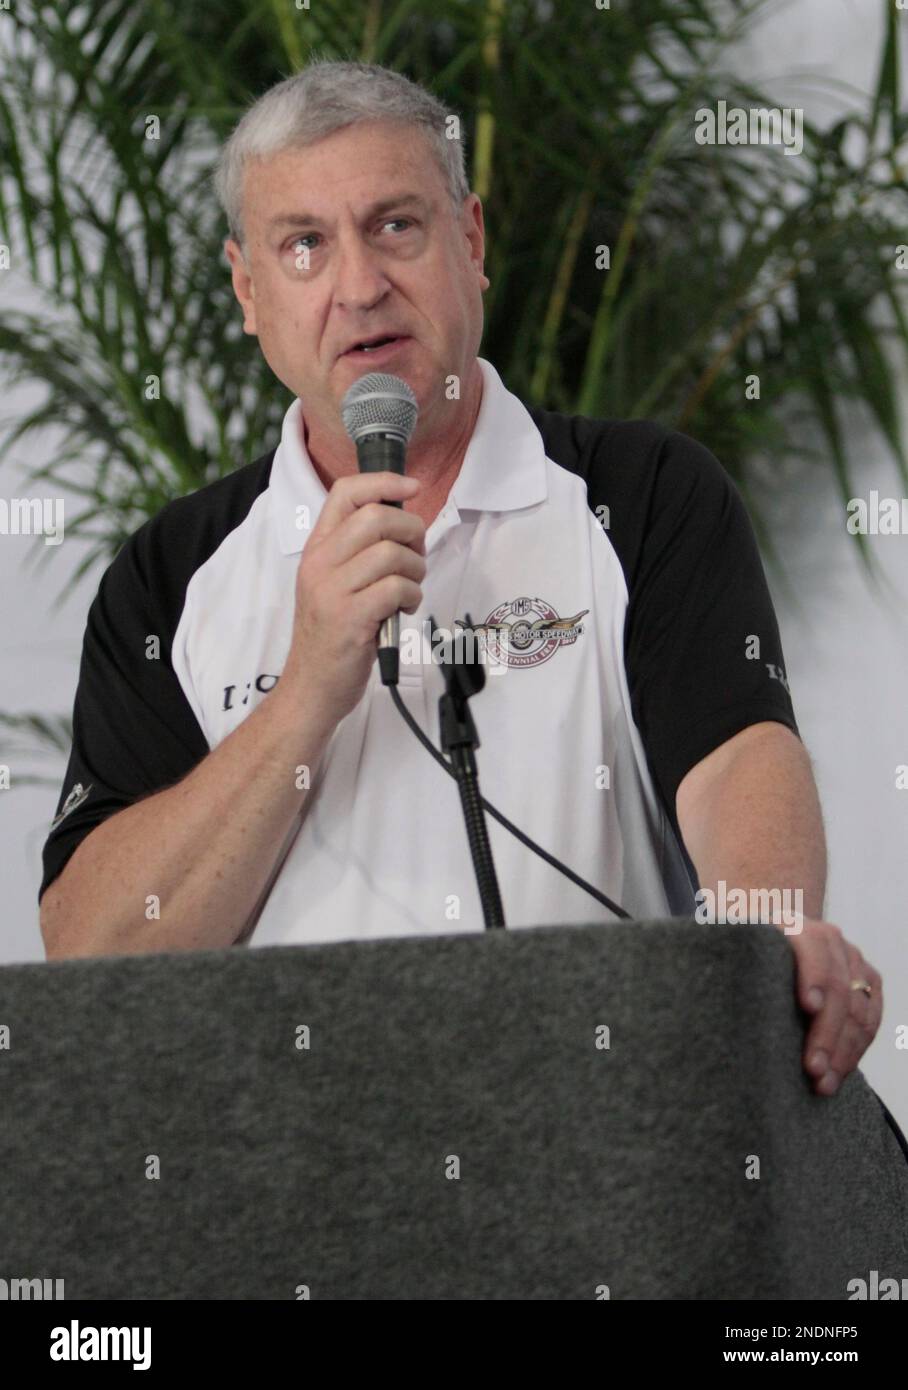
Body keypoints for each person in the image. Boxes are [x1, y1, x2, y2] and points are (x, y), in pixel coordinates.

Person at [39, 59, 881, 1105]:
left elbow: (733, 754)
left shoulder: (641, 494)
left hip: (604, 1132)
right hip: (286, 1181)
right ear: (249, 292)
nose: (356, 284)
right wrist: (306, 693)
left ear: (469, 242)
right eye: (303, 245)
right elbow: (93, 954)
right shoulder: (169, 576)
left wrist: (772, 943)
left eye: (394, 225)